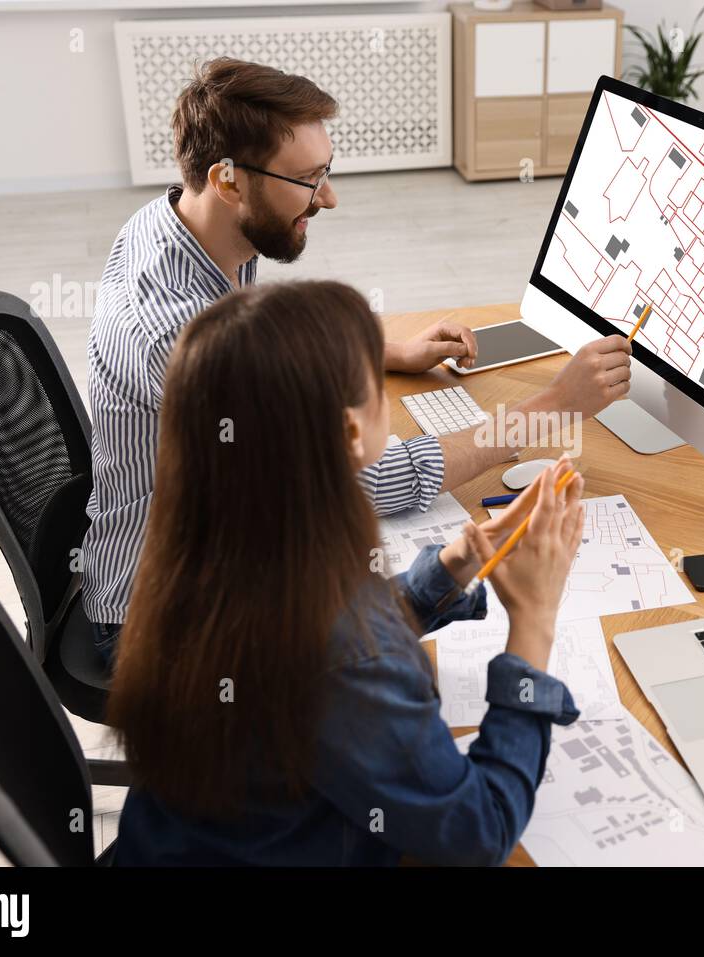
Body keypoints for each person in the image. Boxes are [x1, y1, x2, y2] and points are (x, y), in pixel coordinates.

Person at [83, 56, 631, 662]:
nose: (330, 198)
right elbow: (374, 480)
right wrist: (551, 408)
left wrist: (386, 348)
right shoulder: (180, 338)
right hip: (162, 625)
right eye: (309, 179)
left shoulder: (182, 226)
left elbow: (263, 331)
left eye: (327, 171)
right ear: (228, 180)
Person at [108, 279, 583, 865]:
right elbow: (478, 832)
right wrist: (533, 622)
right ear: (353, 433)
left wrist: (450, 568)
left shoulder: (206, 547)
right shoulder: (346, 658)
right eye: (378, 387)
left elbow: (333, 636)